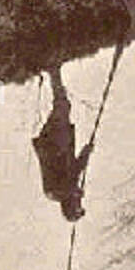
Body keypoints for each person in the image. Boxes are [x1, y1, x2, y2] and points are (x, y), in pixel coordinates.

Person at [32, 66, 92, 222]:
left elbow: (73, 174)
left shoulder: (57, 192)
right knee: (63, 105)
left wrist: (76, 191)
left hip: (54, 141)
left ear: (70, 206)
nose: (79, 202)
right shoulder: (61, 192)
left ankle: (53, 70)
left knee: (63, 105)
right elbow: (76, 168)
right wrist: (86, 152)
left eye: (77, 206)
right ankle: (54, 72)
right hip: (55, 141)